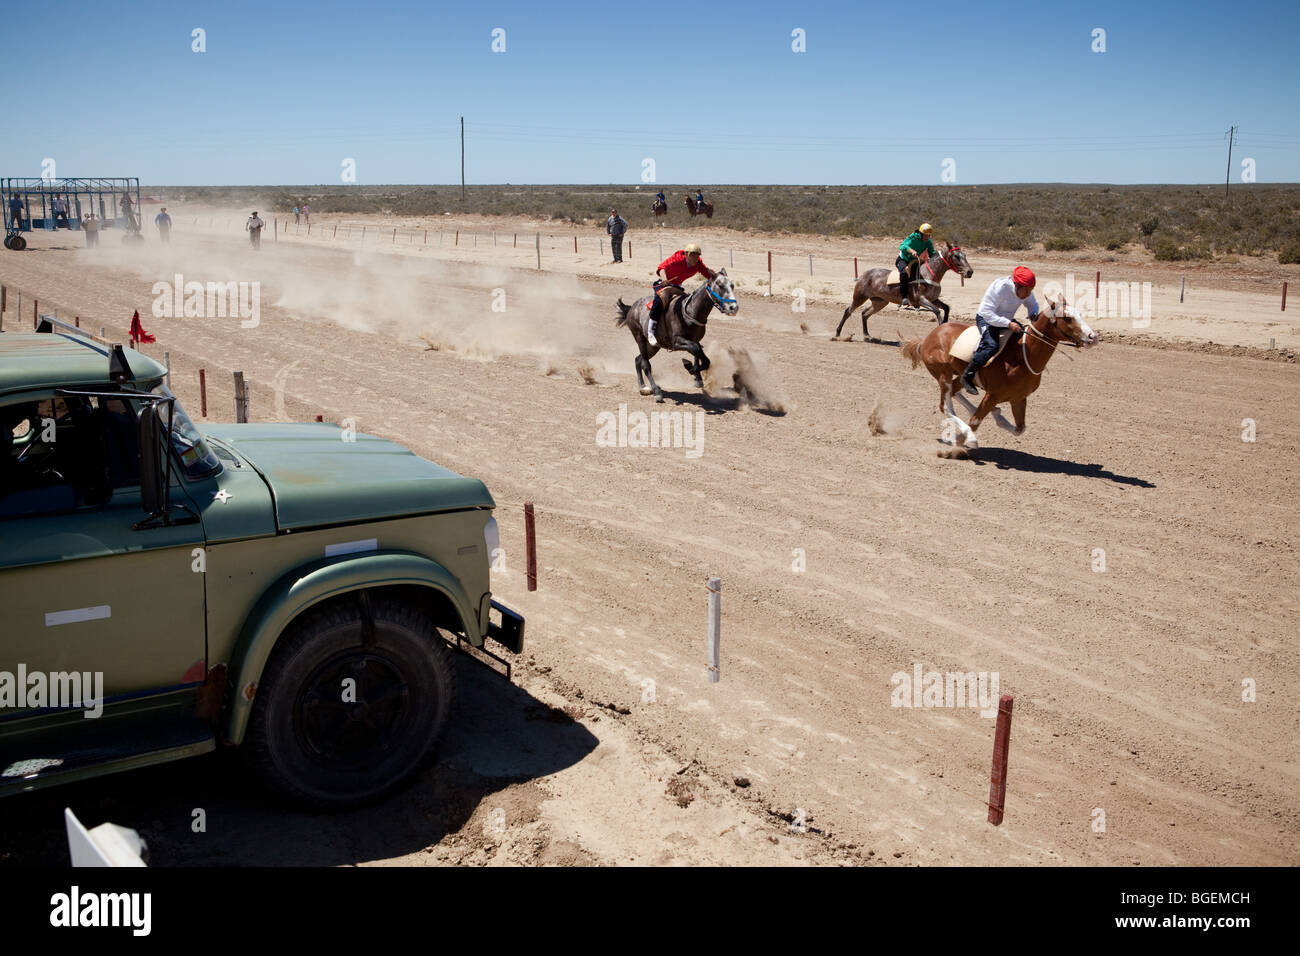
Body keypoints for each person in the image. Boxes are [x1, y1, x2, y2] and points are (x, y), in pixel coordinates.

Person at [961, 266, 1039, 395]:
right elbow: (987, 313)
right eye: (1026, 290)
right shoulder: (1000, 288)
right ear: (1017, 285)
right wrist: (1008, 324)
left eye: (1031, 290)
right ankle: (967, 375)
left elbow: (1033, 304)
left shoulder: (1026, 289)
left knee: (1022, 337)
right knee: (991, 346)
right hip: (986, 319)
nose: (1028, 294)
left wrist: (1033, 313)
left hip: (1006, 320)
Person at [648, 242, 716, 348]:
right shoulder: (677, 258)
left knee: (685, 304)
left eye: (697, 256)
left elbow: (706, 273)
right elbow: (662, 268)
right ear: (687, 255)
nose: (696, 259)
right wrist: (664, 279)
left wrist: (717, 278)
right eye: (693, 256)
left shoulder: (698, 263)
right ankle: (651, 332)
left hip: (677, 287)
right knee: (659, 302)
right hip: (664, 283)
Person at [897, 222, 937, 309]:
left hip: (915, 262)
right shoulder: (913, 237)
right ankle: (903, 297)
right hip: (903, 260)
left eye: (929, 235)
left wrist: (937, 256)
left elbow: (931, 252)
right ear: (921, 234)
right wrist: (911, 251)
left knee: (920, 276)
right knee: (904, 273)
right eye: (926, 235)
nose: (927, 237)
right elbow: (902, 246)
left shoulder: (928, 241)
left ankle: (918, 297)